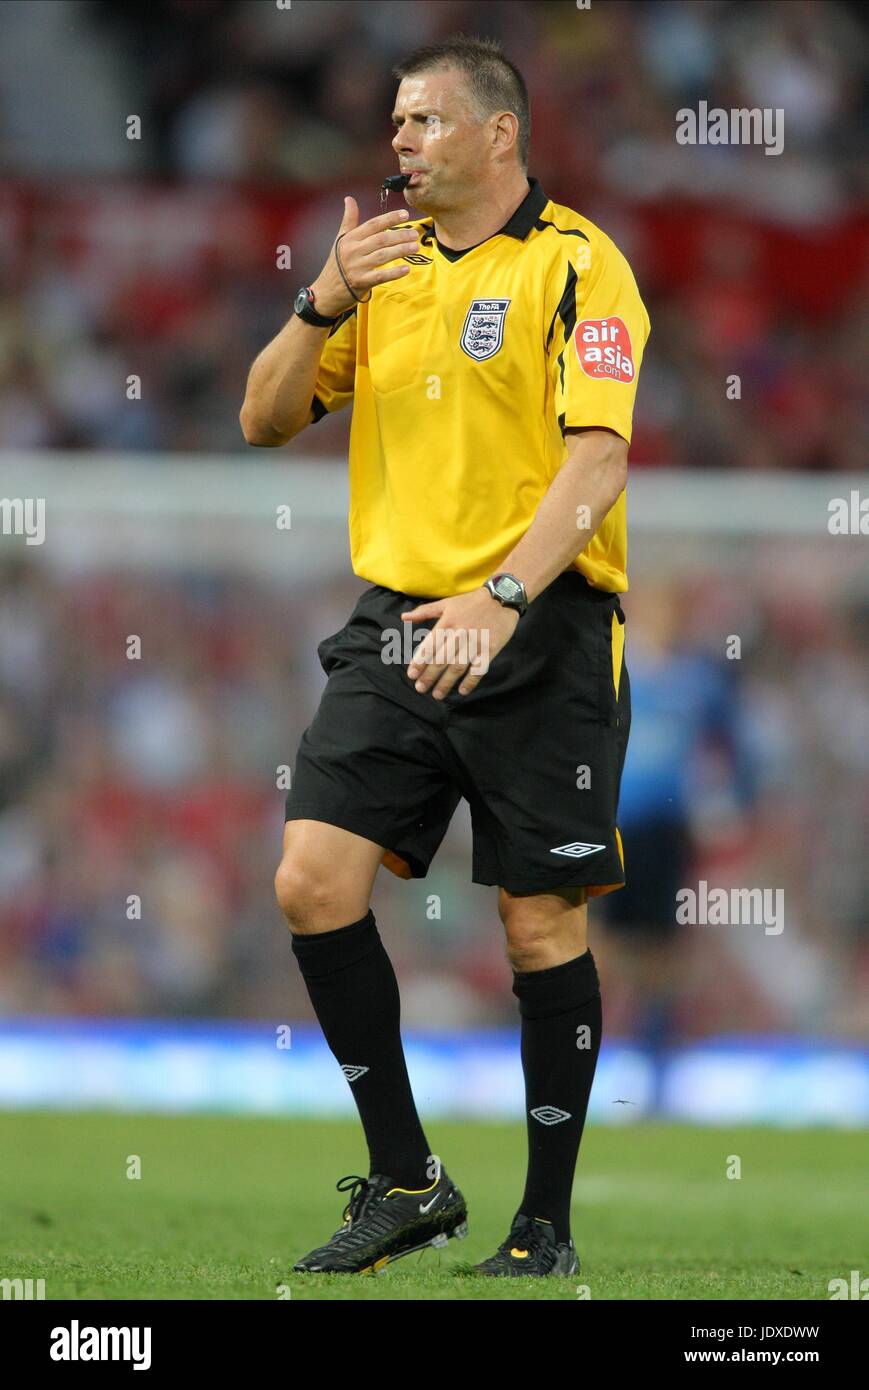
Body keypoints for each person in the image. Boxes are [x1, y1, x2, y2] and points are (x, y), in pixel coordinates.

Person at [240, 33, 650, 1278]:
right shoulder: (388, 274)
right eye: (396, 124)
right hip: (397, 619)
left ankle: (543, 1227)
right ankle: (408, 1176)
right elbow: (262, 419)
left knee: (537, 926)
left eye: (422, 122)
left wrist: (504, 594)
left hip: (545, 624)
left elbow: (599, 456)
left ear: (496, 134)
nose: (398, 144)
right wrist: (321, 298)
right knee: (311, 881)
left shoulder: (579, 266)